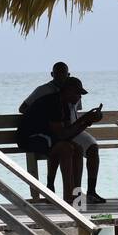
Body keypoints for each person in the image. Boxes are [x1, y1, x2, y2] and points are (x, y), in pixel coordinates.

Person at [19, 62, 105, 201]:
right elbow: (62, 135)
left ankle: (78, 198)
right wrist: (85, 120)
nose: (80, 97)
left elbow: (68, 131)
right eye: (78, 93)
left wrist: (88, 120)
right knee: (66, 148)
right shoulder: (54, 103)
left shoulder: (64, 104)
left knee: (76, 148)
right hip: (32, 137)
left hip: (48, 136)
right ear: (68, 91)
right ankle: (68, 199)